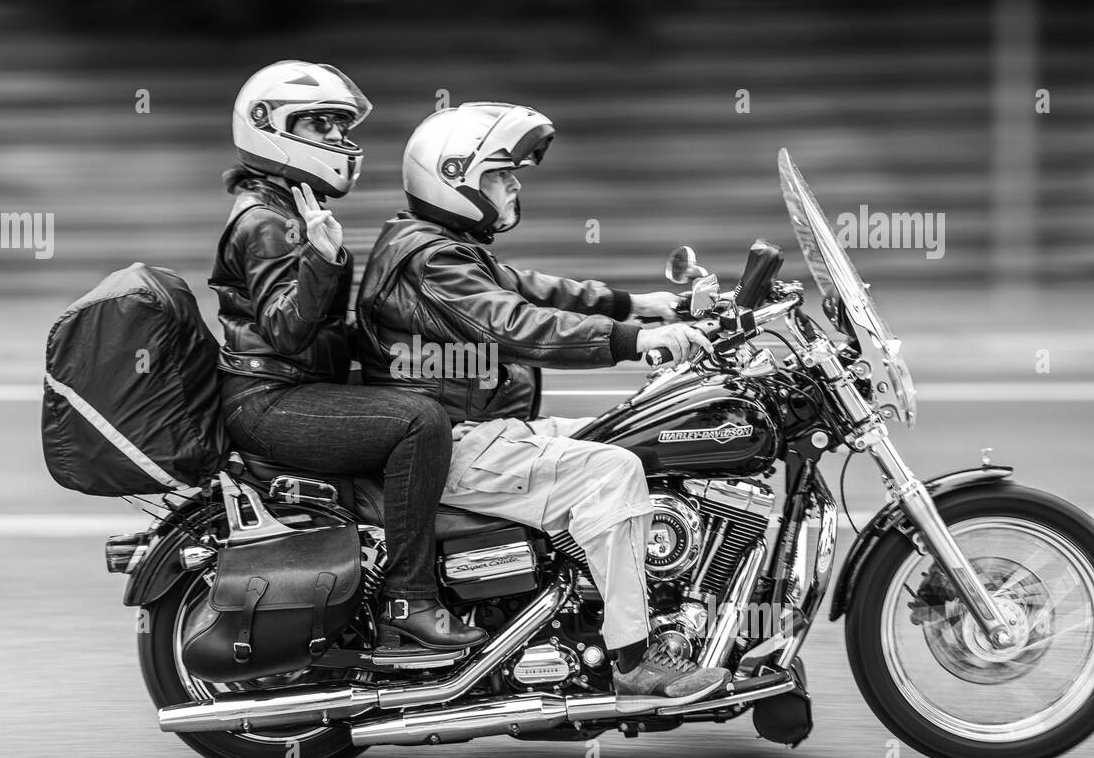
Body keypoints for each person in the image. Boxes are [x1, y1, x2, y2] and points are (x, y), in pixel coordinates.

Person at [356, 102, 731, 702]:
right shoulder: (431, 261)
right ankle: (635, 659)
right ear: (456, 178)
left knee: (636, 434)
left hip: (483, 428)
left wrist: (641, 305)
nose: (513, 185)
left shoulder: (442, 246)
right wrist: (635, 340)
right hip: (453, 443)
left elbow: (535, 290)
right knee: (615, 471)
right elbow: (518, 324)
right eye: (501, 174)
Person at [211, 61, 486, 653]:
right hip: (270, 401)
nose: (338, 141)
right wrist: (322, 255)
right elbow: (286, 330)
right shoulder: (267, 220)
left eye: (340, 128)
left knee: (437, 391)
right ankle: (410, 599)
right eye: (320, 126)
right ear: (269, 126)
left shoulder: (285, 206)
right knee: (420, 419)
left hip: (291, 390)